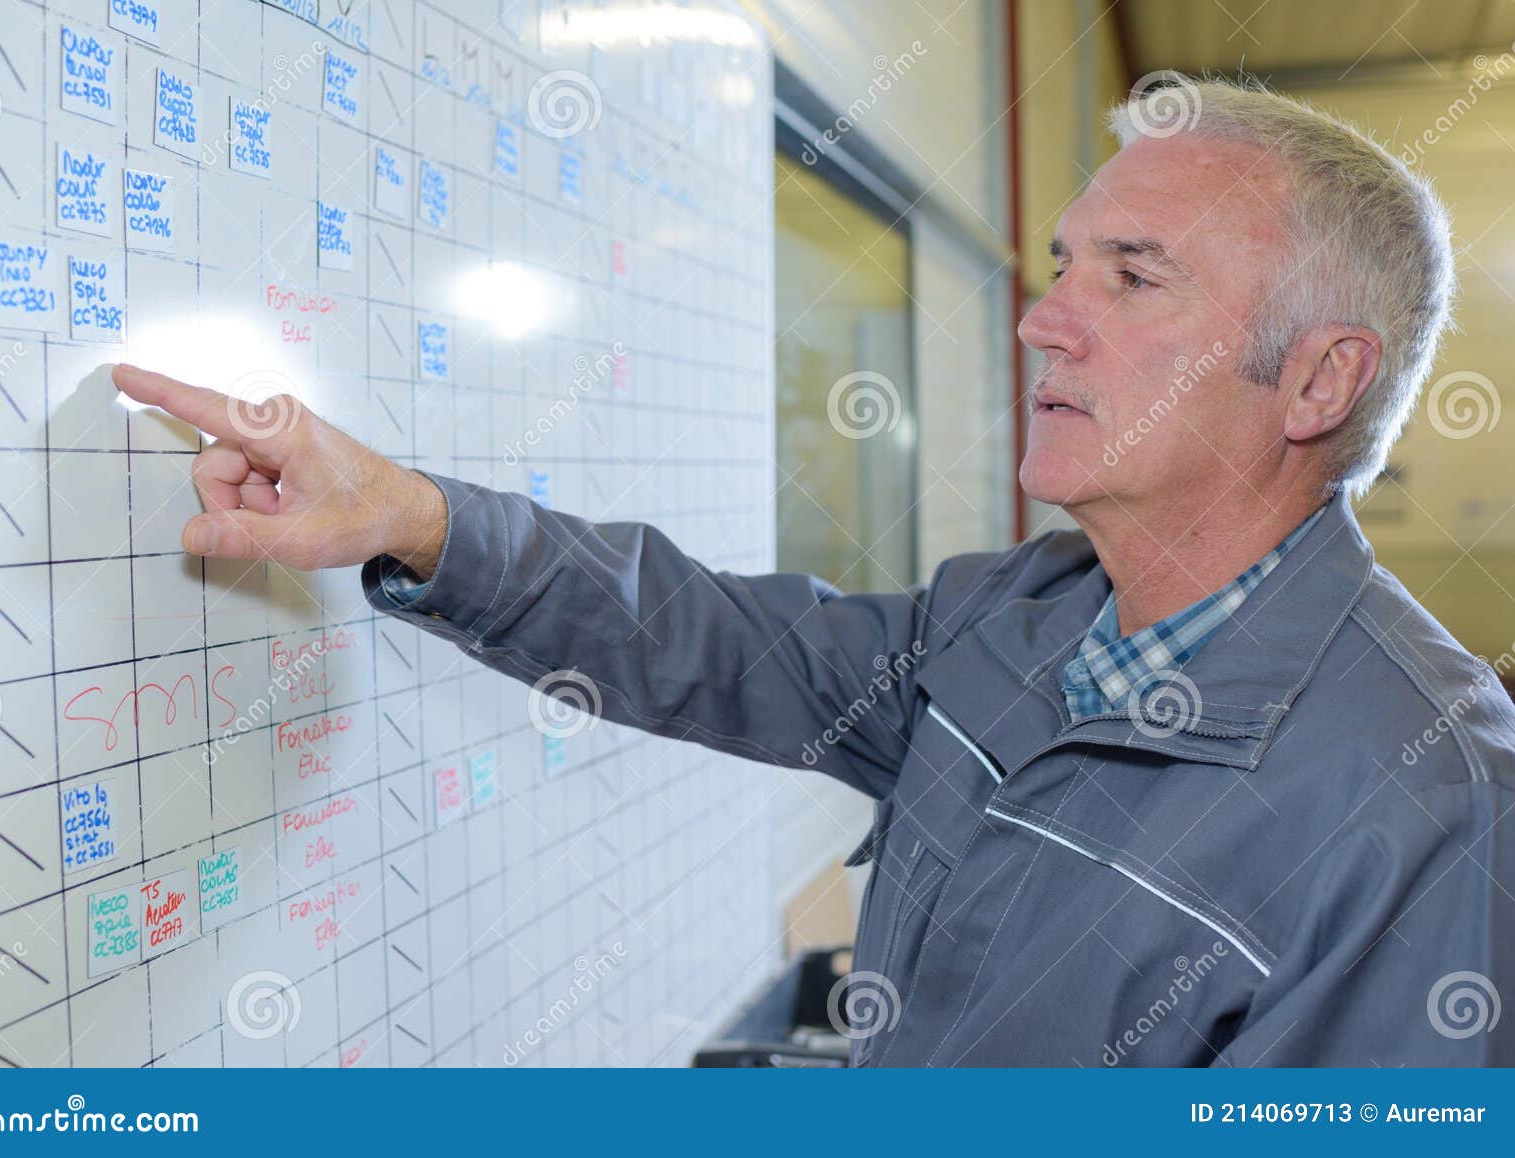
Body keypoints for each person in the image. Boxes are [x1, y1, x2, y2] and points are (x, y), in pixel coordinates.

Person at [112, 77, 1512, 1066]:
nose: (1042, 321)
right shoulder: (1020, 616)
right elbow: (718, 640)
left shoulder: (1429, 800)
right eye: (1063, 265)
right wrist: (411, 514)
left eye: (1133, 279)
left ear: (1319, 378)